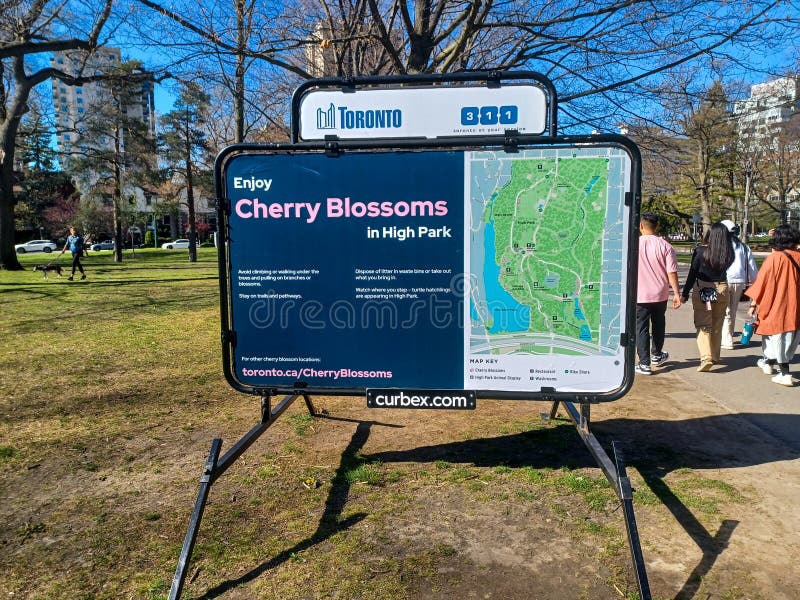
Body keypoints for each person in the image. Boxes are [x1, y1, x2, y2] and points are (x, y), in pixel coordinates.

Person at [745, 224, 800, 387]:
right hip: (795, 305)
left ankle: (785, 373)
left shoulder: (774, 259)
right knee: (788, 337)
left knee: (773, 336)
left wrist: (753, 305)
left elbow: (762, 284)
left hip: (775, 304)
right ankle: (768, 362)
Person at [680, 222, 735, 372]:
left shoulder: (700, 252)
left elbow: (693, 273)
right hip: (722, 287)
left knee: (703, 323)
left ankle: (706, 357)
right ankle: (715, 356)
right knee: (718, 323)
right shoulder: (729, 252)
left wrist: (685, 293)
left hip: (704, 287)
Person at [634, 212, 682, 375]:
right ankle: (657, 354)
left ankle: (644, 363)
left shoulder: (634, 245)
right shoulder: (666, 246)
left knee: (641, 328)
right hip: (660, 293)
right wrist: (676, 293)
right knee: (659, 324)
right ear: (657, 226)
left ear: (641, 226)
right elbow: (672, 272)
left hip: (639, 293)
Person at [720, 220, 758, 349]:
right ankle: (727, 336)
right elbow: (752, 268)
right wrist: (754, 284)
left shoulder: (720, 245)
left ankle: (727, 339)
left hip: (724, 281)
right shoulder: (743, 247)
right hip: (739, 281)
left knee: (725, 311)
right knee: (732, 310)